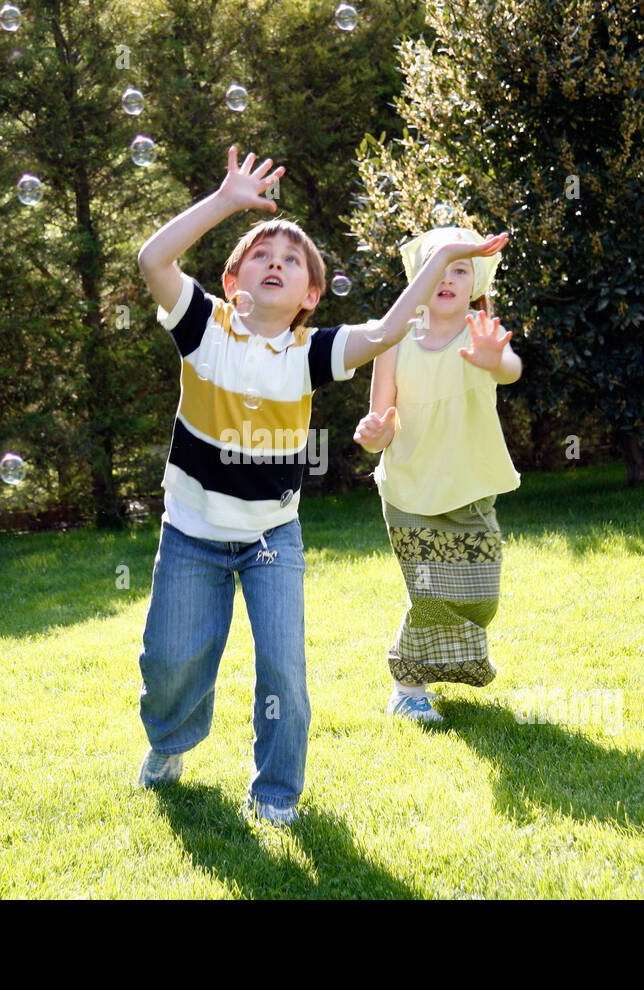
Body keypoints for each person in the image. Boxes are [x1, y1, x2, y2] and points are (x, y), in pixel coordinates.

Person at [136, 148, 507, 821]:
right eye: (260, 255)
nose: (275, 262)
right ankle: (168, 742)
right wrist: (226, 200)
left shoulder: (311, 351)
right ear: (232, 277)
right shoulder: (204, 329)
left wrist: (441, 257)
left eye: (292, 260)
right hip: (191, 535)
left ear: (311, 295)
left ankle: (276, 797)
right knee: (171, 661)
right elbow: (153, 261)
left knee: (285, 673)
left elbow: (391, 328)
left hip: (272, 537)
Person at [353, 226, 523, 723]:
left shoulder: (481, 333)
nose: (448, 278)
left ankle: (434, 662)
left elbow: (508, 366)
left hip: (468, 489)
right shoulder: (395, 338)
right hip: (408, 489)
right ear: (420, 277)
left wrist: (497, 360)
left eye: (460, 268)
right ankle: (408, 688)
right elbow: (382, 421)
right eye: (439, 266)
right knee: (429, 595)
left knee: (480, 599)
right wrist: (374, 434)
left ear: (475, 282)